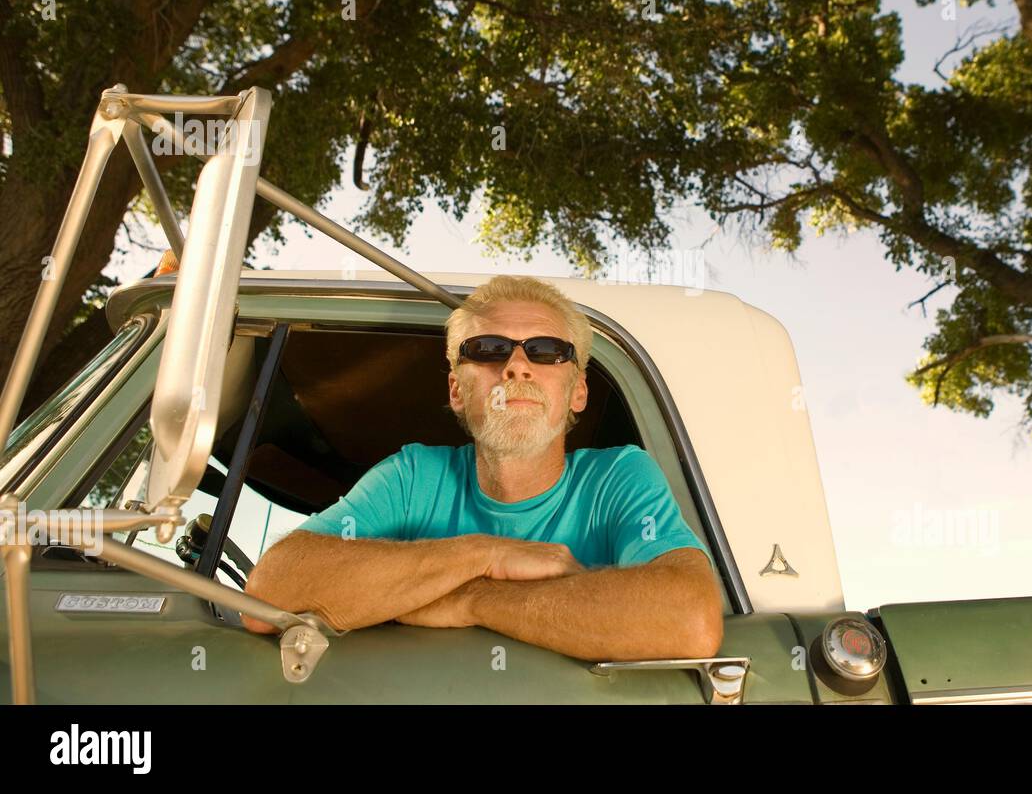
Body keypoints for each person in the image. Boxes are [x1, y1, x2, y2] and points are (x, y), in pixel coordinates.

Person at [241, 274, 724, 662]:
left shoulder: (618, 477)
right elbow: (269, 594)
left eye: (547, 351)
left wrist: (472, 600)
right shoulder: (412, 476)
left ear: (578, 392)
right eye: (488, 350)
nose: (516, 366)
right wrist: (486, 554)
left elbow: (690, 619)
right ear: (457, 390)